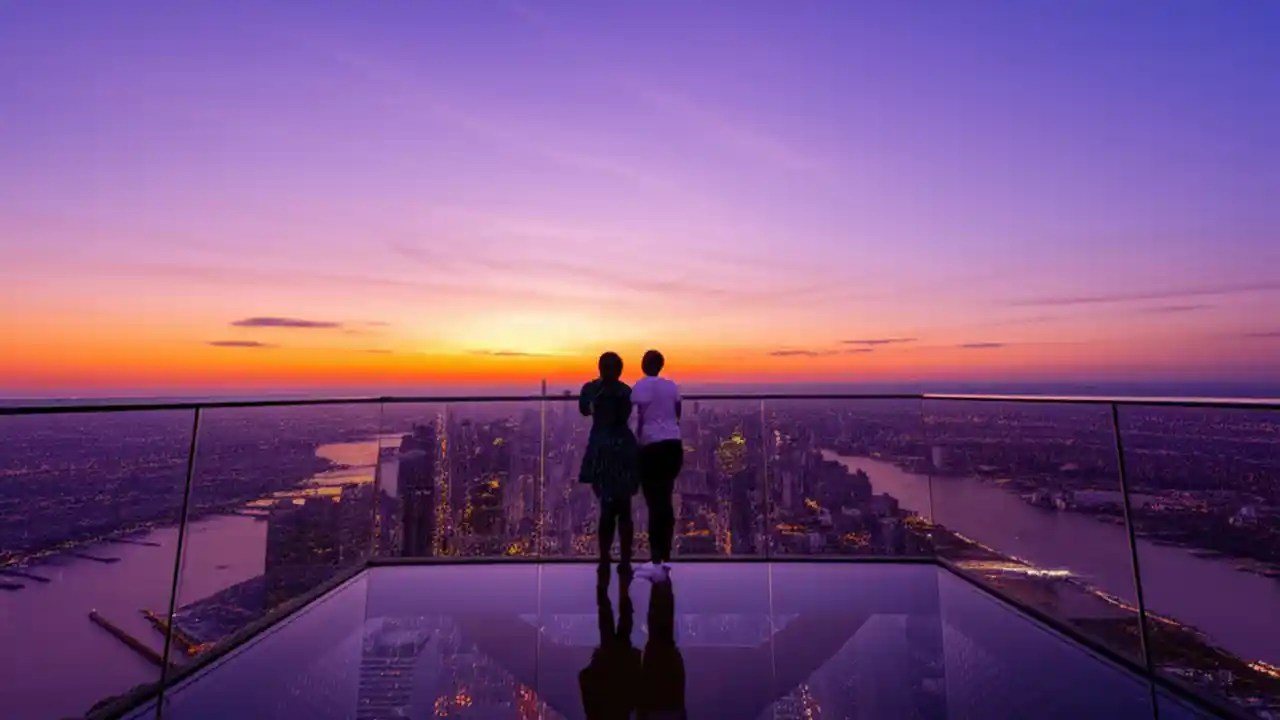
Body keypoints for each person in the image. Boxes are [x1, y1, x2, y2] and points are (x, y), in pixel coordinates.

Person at [580, 351, 640, 573]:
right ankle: (625, 561)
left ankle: (604, 559)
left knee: (606, 507)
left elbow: (584, 409)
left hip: (601, 448)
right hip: (623, 447)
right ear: (620, 370)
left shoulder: (590, 389)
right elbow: (624, 416)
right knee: (624, 509)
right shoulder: (625, 391)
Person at [631, 349, 683, 582]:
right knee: (666, 502)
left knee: (654, 505)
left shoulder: (640, 386)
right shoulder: (672, 386)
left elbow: (633, 417)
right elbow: (677, 414)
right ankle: (665, 556)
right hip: (673, 446)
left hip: (652, 448)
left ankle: (656, 562)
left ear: (644, 364)